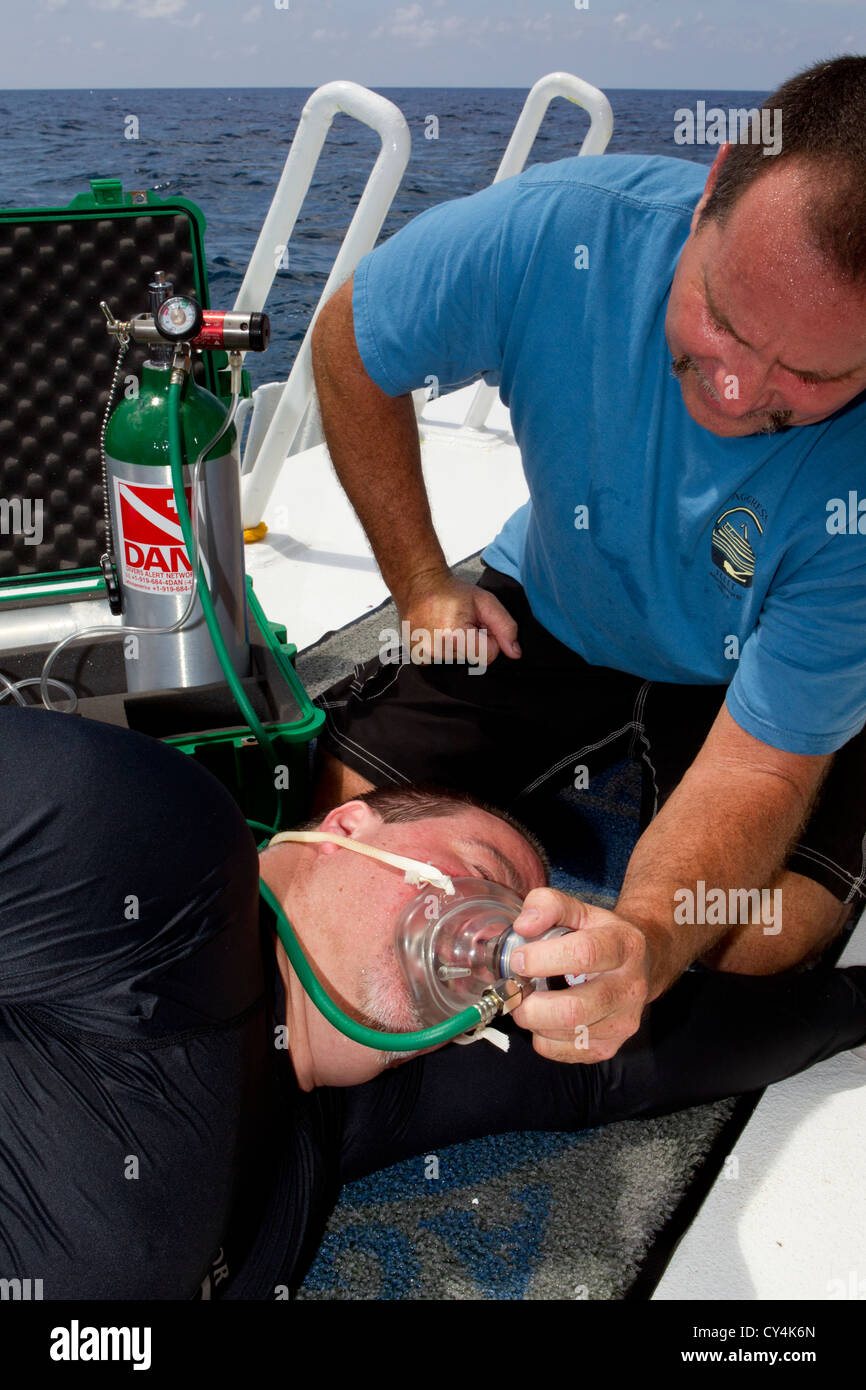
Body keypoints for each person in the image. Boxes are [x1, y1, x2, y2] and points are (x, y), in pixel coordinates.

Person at [310, 55, 866, 1069]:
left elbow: (751, 765)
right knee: (348, 801)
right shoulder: (560, 231)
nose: (739, 394)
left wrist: (643, 947)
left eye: (811, 374)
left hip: (756, 675)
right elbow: (351, 342)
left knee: (750, 942)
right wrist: (423, 584)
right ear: (713, 186)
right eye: (726, 319)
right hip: (557, 602)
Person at [2, 705, 865, 1301]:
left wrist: (858, 1002)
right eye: (489, 874)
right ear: (345, 830)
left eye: (518, 941)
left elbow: (605, 1075)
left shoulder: (345, 1112)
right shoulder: (159, 849)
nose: (502, 937)